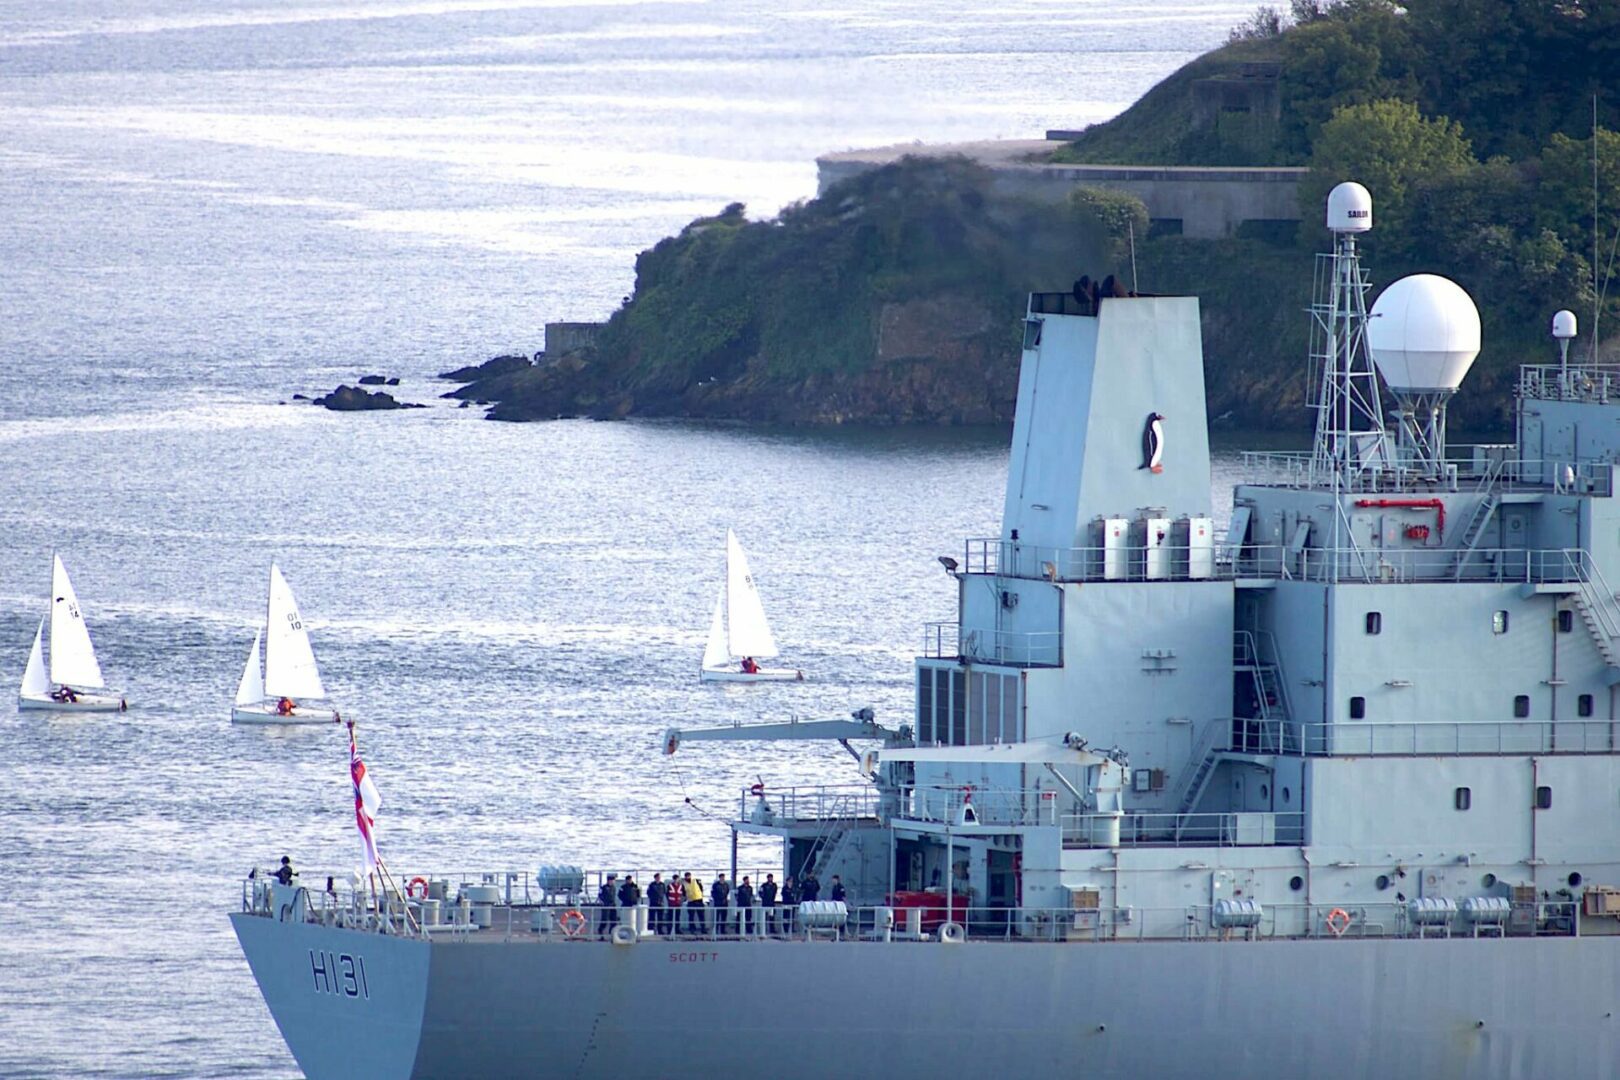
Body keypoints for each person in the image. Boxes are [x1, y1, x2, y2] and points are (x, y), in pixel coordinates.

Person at [711, 872, 731, 936]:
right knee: (716, 917)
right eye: (721, 877)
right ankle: (716, 930)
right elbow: (713, 893)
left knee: (724, 917)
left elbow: (727, 891)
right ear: (719, 878)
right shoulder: (715, 885)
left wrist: (725, 898)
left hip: (724, 903)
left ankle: (722, 930)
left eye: (723, 877)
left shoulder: (726, 885)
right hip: (717, 903)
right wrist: (717, 898)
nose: (723, 878)